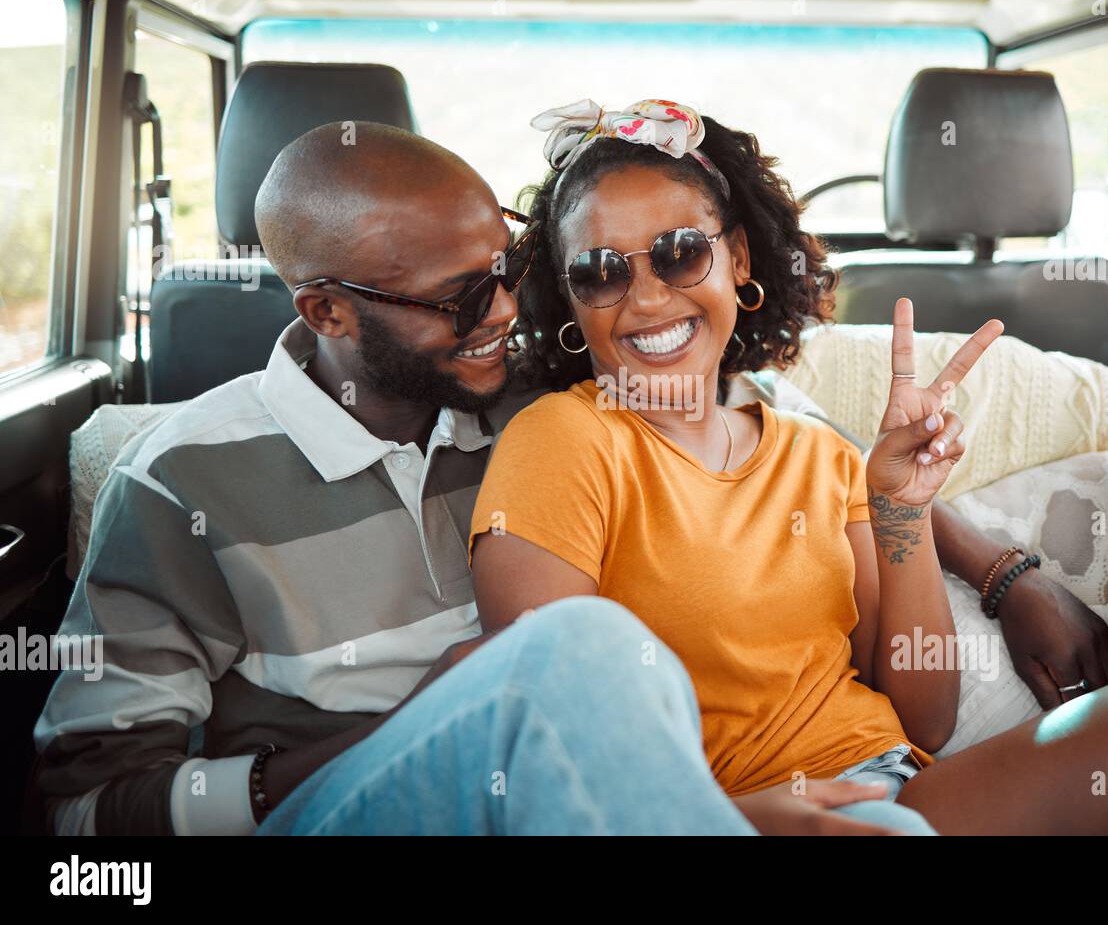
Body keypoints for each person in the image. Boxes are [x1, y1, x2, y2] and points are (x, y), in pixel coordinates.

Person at [29, 121, 922, 835]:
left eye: (507, 274)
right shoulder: (180, 483)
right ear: (326, 310)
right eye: (459, 299)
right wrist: (432, 719)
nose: (501, 315)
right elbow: (83, 813)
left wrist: (988, 556)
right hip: (334, 798)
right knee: (582, 646)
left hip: (556, 798)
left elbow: (769, 422)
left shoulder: (513, 390)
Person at [469, 98, 1108, 834]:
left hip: (904, 793)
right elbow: (537, 730)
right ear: (570, 301)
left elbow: (926, 716)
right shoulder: (563, 442)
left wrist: (900, 513)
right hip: (724, 815)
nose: (646, 299)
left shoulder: (819, 453)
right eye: (601, 271)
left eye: (681, 253)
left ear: (741, 262)